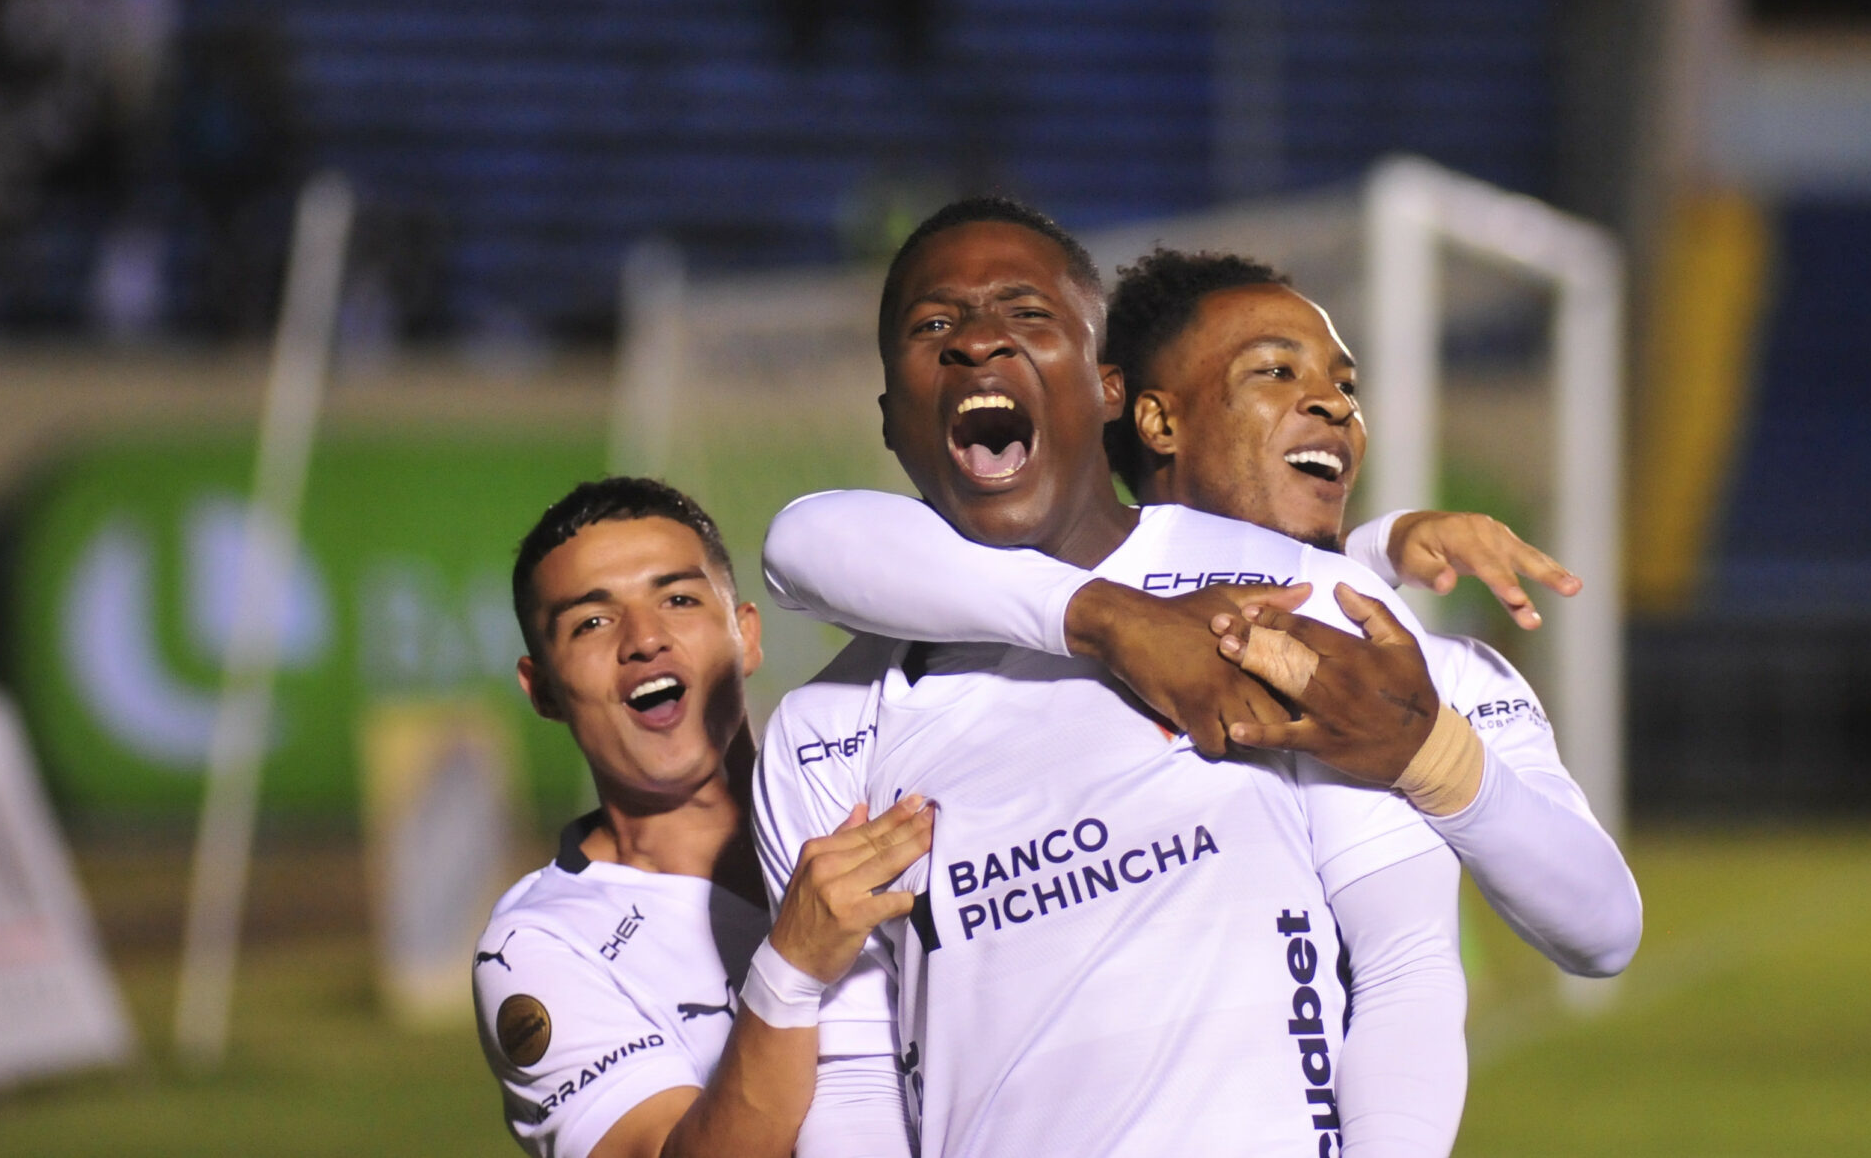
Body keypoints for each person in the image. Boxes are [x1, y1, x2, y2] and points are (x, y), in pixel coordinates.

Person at [751, 202, 1488, 1158]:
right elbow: (852, 1078)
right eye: (935, 326)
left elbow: (1405, 963)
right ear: (892, 417)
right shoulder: (823, 731)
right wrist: (1113, 623)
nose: (979, 342)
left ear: (1108, 390)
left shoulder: (1286, 600)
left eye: (1026, 314)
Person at [475, 477, 934, 1158]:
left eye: (679, 599)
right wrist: (791, 965)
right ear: (542, 686)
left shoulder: (883, 782)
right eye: (592, 621)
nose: (644, 638)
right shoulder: (540, 943)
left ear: (746, 634)